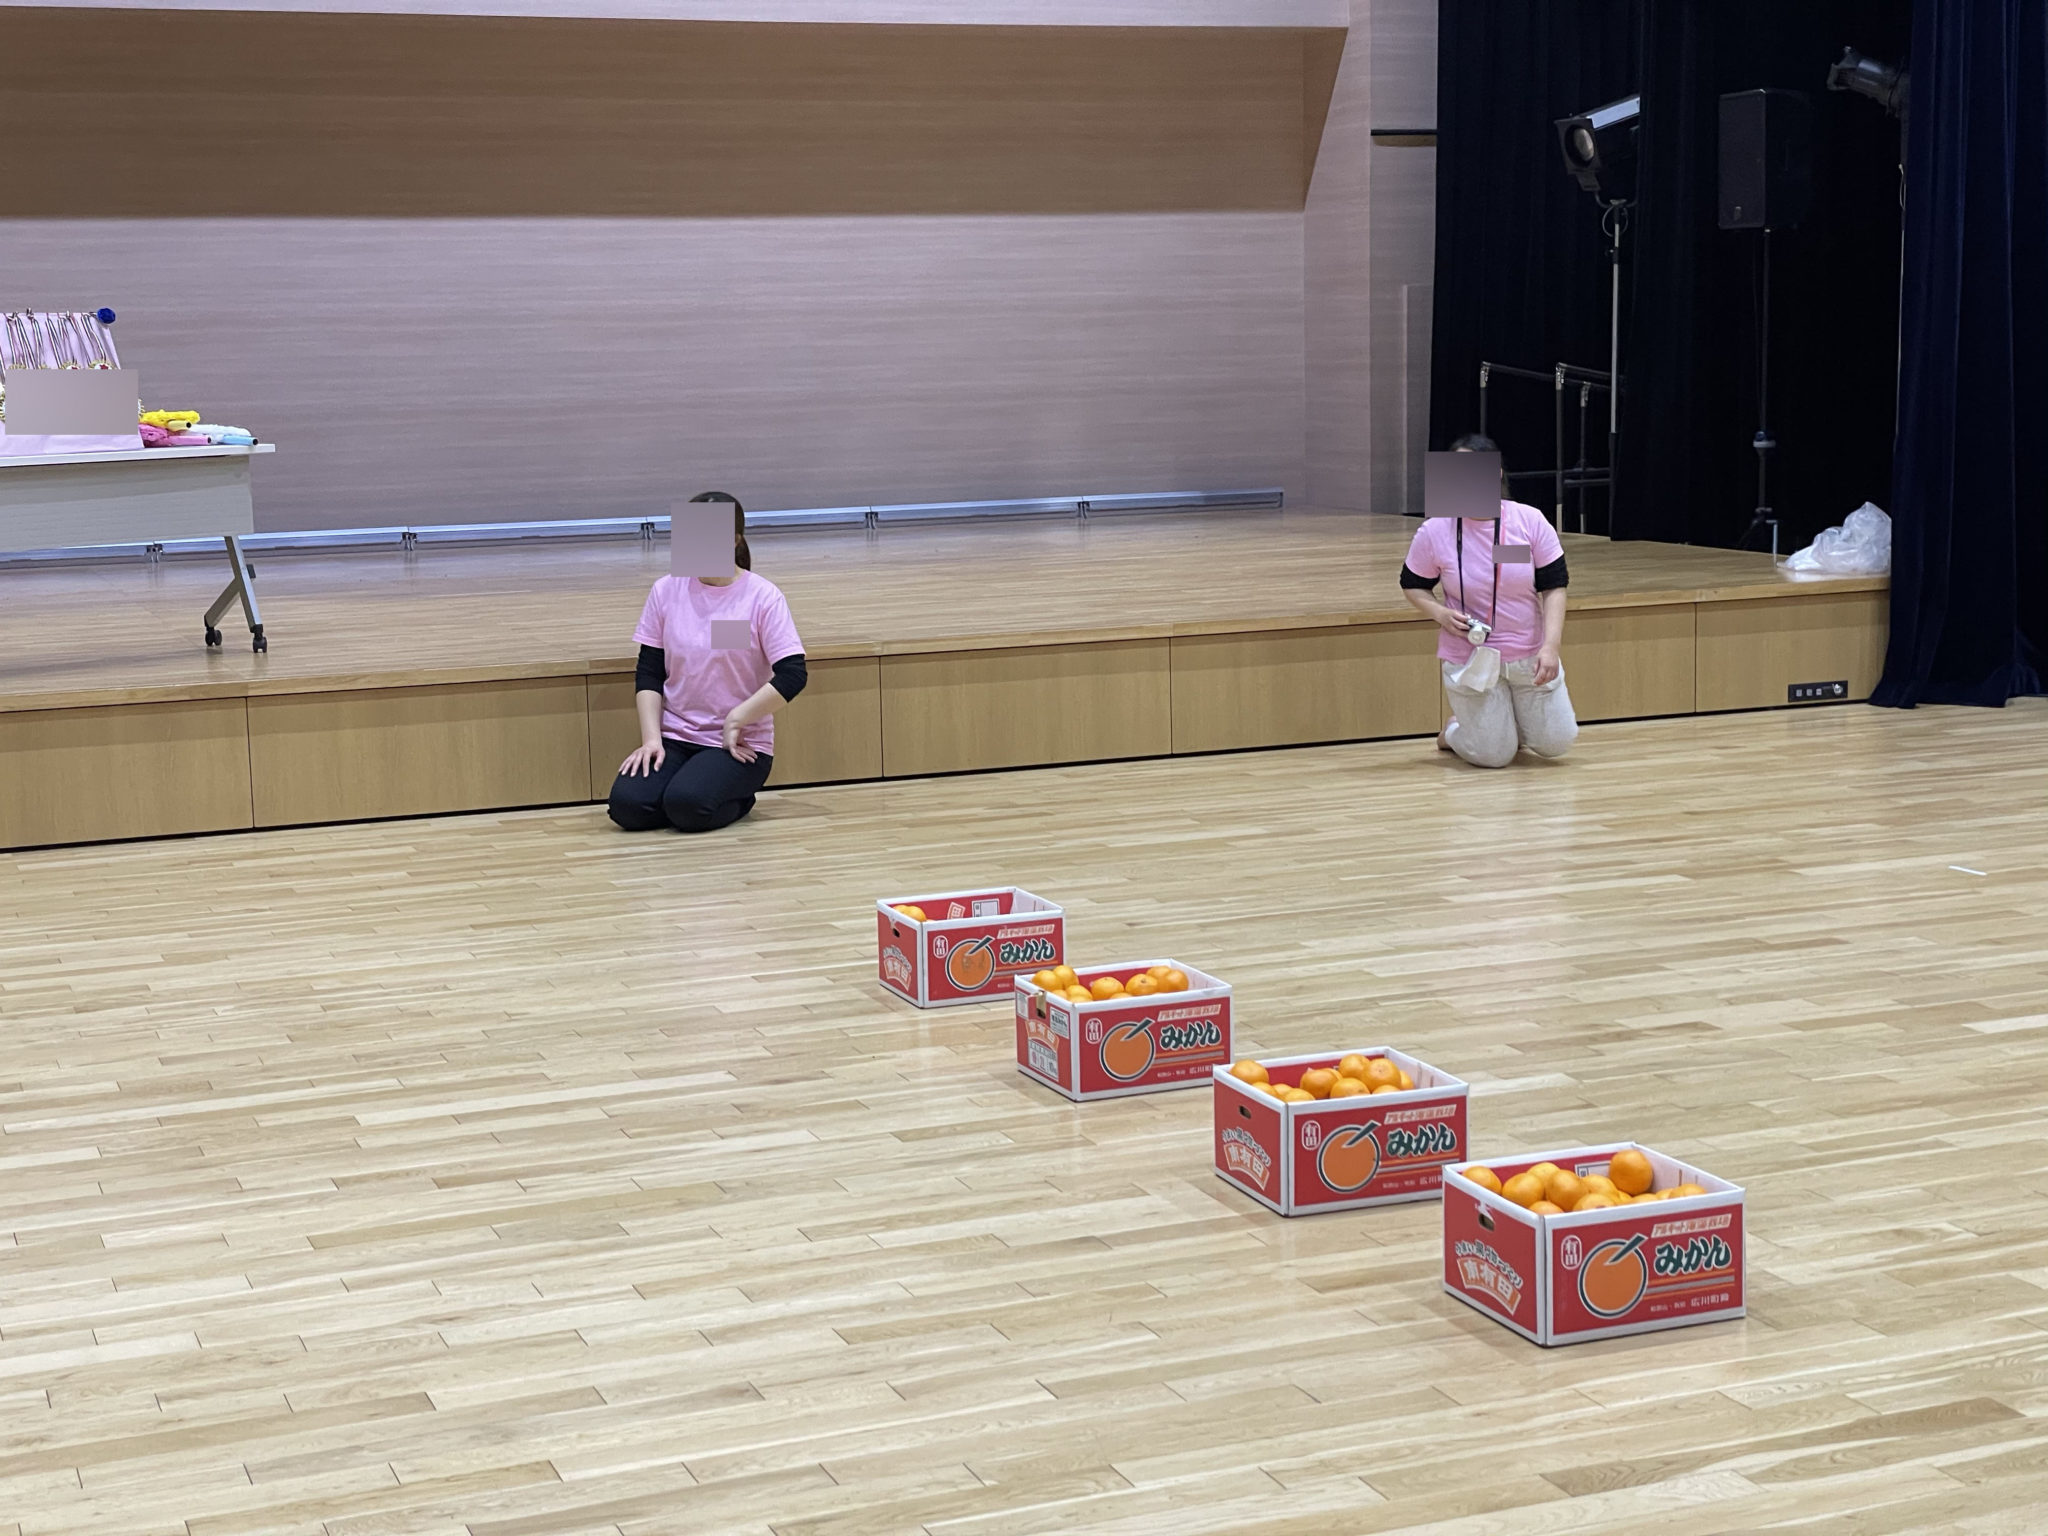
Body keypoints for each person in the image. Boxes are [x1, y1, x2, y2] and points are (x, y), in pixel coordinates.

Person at [608, 492, 807, 832]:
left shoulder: (762, 597)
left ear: (733, 540)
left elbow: (793, 674)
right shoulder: (665, 591)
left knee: (688, 807)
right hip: (676, 737)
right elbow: (650, 672)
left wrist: (737, 718)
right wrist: (652, 739)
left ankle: (737, 797)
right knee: (628, 807)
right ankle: (686, 790)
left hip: (737, 744)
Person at [1398, 435, 1578, 768]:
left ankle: (1505, 726)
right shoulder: (1435, 531)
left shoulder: (1530, 521)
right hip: (1470, 658)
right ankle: (1454, 731)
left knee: (1557, 743)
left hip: (1529, 656)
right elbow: (1412, 584)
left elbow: (1555, 585)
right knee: (1494, 756)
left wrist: (1551, 647)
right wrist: (1439, 613)